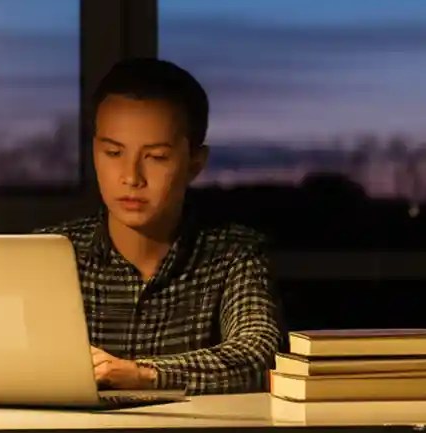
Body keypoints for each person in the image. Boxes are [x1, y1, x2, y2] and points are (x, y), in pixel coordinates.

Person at [36, 57, 282, 395]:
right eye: (113, 153)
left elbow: (259, 355)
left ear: (195, 162)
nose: (131, 177)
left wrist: (145, 375)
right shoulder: (51, 253)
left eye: (156, 157)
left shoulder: (232, 253)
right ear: (94, 152)